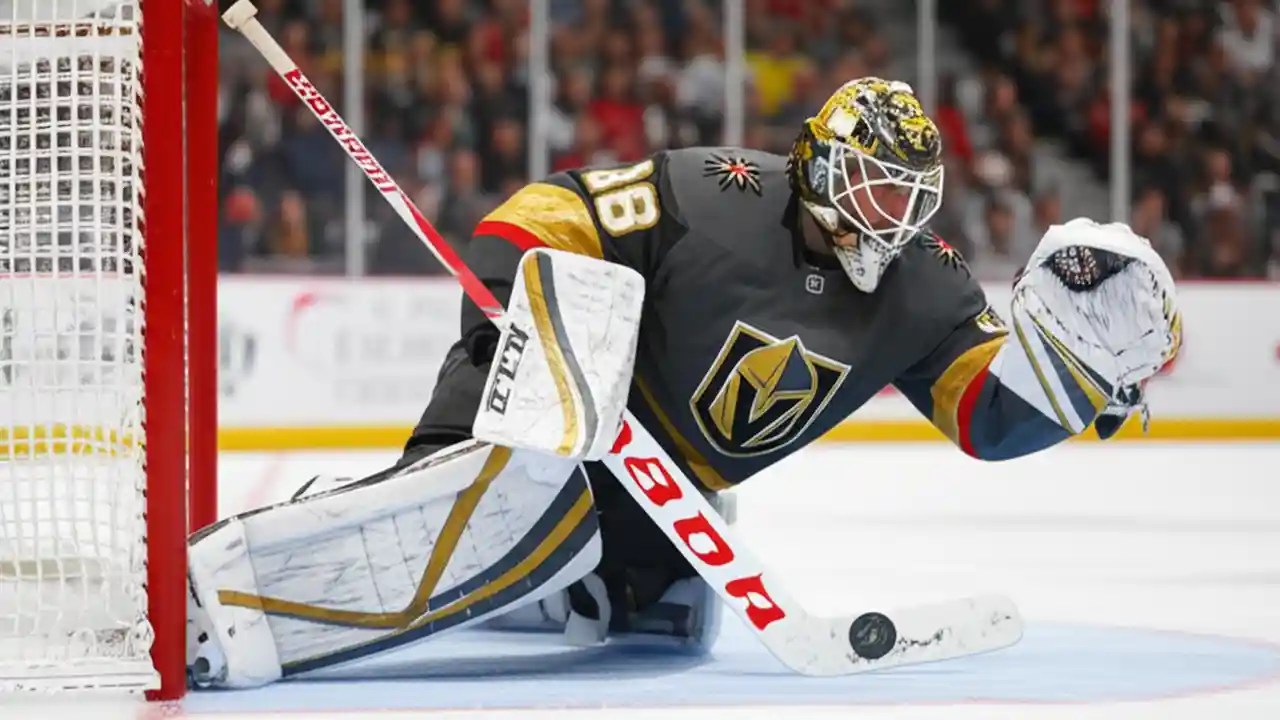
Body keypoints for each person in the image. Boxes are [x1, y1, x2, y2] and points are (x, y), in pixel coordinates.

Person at [186, 78, 1182, 688]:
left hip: (661, 487)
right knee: (492, 510)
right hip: (557, 411)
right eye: (875, 186)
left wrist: (1073, 380)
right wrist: (507, 312)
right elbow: (547, 210)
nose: (892, 215)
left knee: (660, 619)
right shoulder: (715, 193)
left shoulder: (925, 289)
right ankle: (300, 546)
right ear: (822, 168)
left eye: (910, 195)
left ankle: (525, 583)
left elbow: (984, 416)